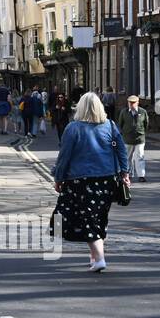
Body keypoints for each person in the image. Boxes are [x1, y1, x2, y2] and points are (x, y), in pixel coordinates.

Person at [52, 92, 130, 272]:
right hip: (107, 180)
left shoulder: (73, 128)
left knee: (87, 219)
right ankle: (95, 256)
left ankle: (100, 258)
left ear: (80, 108)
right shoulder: (110, 126)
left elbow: (64, 156)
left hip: (80, 181)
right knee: (99, 218)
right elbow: (121, 151)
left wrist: (58, 177)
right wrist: (124, 173)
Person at [116, 94, 149, 184]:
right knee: (127, 157)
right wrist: (124, 133)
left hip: (140, 138)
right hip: (127, 138)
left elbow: (146, 123)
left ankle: (141, 175)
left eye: (133, 102)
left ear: (138, 103)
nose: (131, 104)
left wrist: (141, 132)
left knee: (140, 156)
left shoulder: (143, 112)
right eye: (130, 102)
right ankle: (128, 174)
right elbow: (120, 123)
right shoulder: (124, 112)